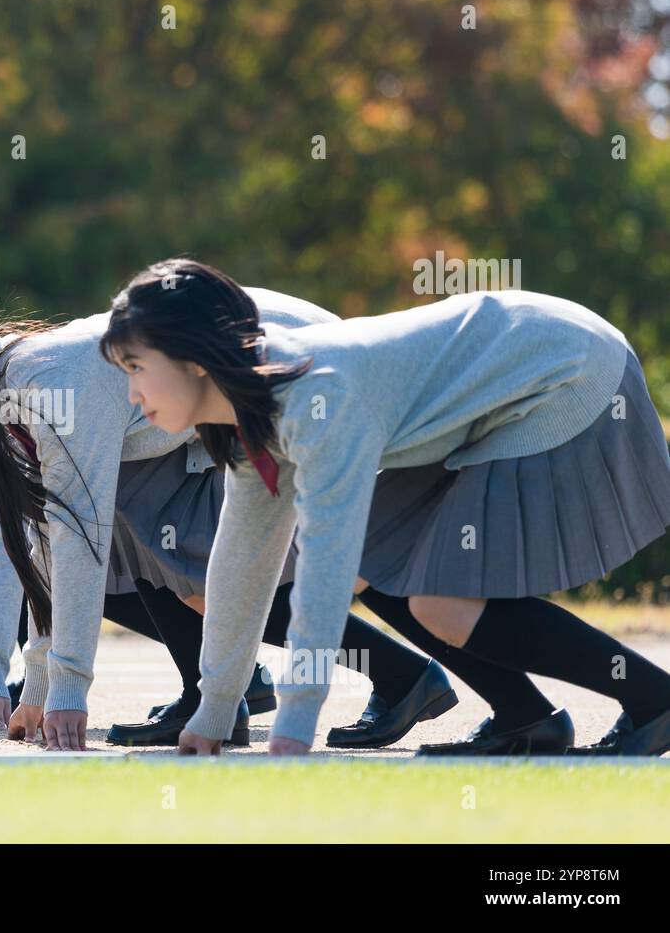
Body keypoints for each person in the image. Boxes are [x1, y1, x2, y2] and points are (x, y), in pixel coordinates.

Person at [0, 255, 459, 750]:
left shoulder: (45, 381)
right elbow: (48, 538)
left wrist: (65, 690)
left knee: (343, 551)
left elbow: (78, 535)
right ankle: (226, 698)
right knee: (179, 558)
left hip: (290, 364)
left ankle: (424, 680)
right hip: (215, 403)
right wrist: (39, 688)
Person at [98, 259, 670, 757]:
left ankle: (655, 699)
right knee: (388, 563)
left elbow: (324, 568)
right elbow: (241, 562)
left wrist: (294, 726)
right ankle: (527, 719)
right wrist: (215, 709)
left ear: (193, 359)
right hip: (502, 391)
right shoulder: (255, 411)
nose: (131, 394)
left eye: (136, 369)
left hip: (565, 370)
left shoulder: (314, 399)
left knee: (439, 600)